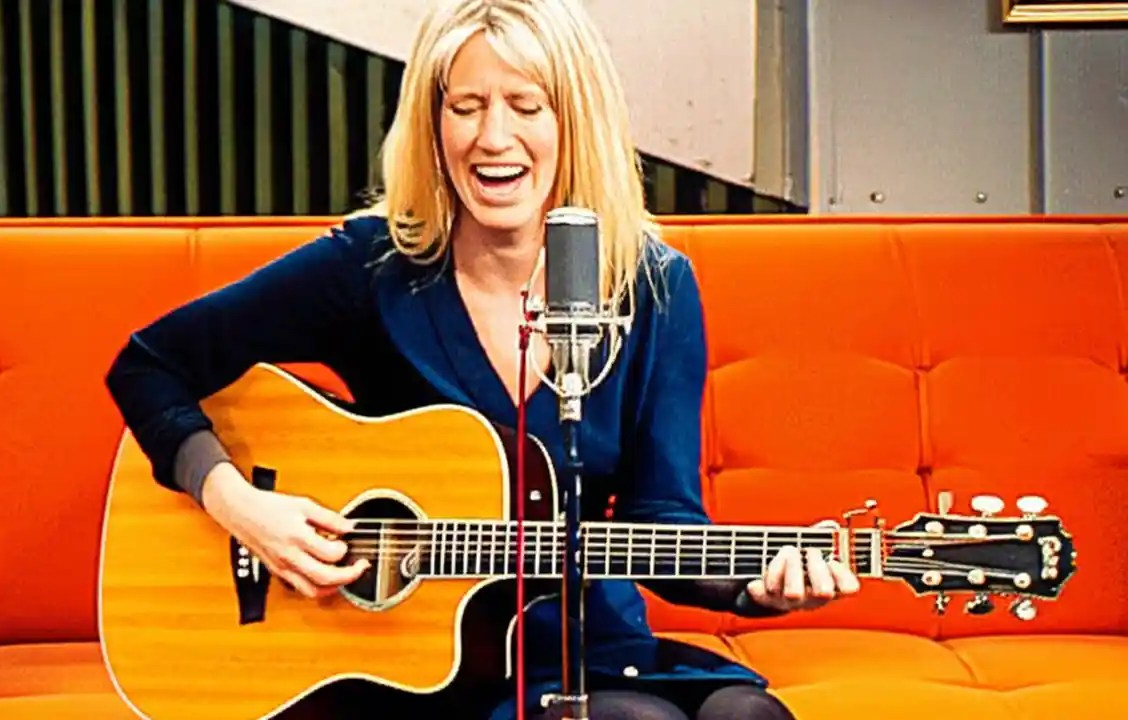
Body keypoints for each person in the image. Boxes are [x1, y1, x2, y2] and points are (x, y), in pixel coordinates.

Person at [104, 1, 860, 718]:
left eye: (525, 106)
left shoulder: (654, 286)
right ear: (432, 125)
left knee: (746, 711)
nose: (492, 137)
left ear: (575, 120)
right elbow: (148, 364)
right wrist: (245, 509)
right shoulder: (372, 266)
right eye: (466, 107)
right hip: (423, 665)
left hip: (586, 645)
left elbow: (660, 518)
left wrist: (754, 588)